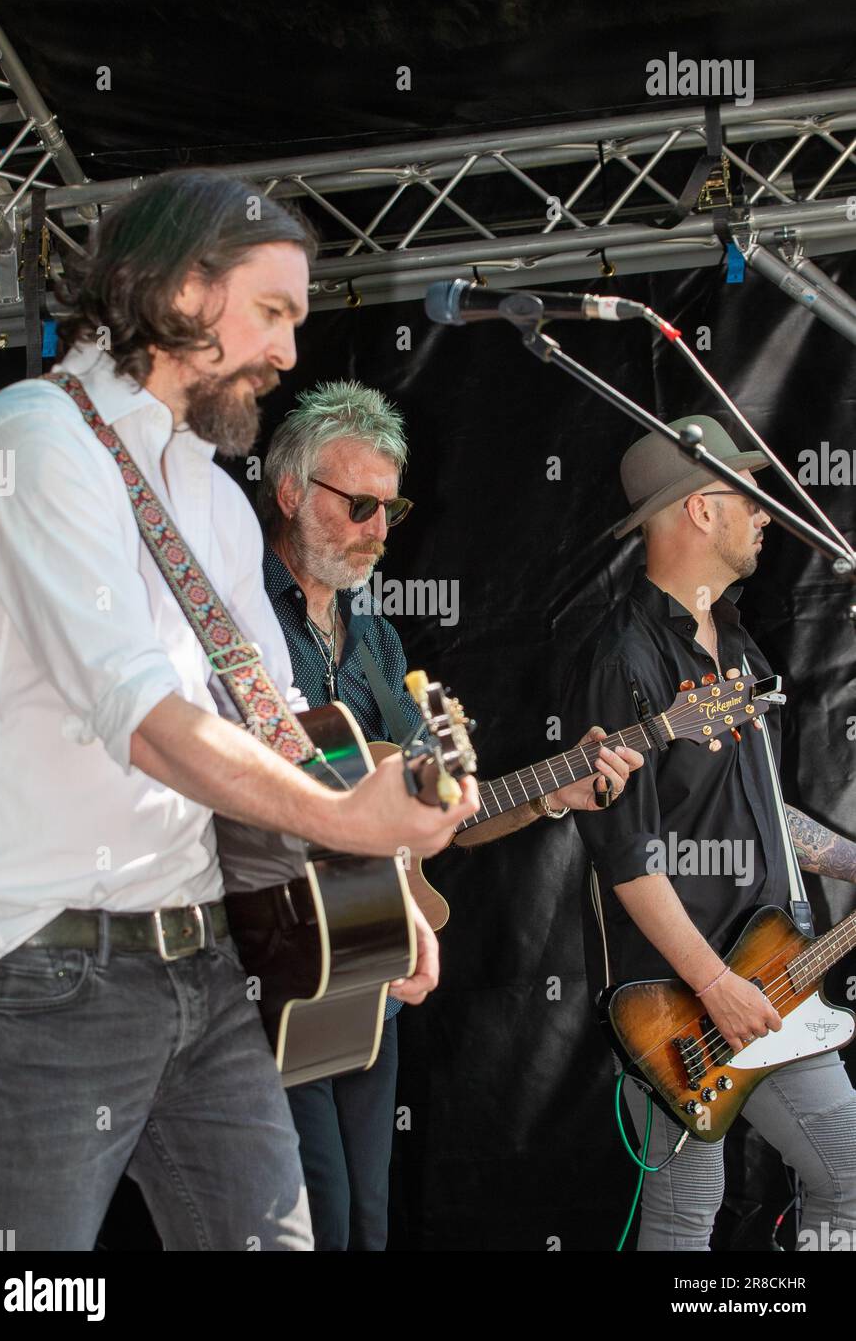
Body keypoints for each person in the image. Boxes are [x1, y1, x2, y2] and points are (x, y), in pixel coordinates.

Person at [0, 169, 477, 1252]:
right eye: (273, 311)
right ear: (182, 288)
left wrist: (375, 895)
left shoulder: (209, 496)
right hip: (43, 970)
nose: (289, 352)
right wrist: (349, 824)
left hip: (199, 962)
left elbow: (273, 729)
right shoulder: (34, 446)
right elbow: (144, 719)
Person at [258, 378, 642, 1249]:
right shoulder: (237, 620)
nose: (378, 531)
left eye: (391, 510)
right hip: (270, 972)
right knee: (302, 1222)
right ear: (289, 492)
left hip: (374, 974)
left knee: (365, 1225)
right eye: (359, 505)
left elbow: (442, 816)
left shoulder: (381, 642)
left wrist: (554, 787)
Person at [566, 415, 856, 1252]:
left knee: (845, 1172)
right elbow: (624, 853)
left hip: (772, 977)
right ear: (698, 510)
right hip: (679, 1005)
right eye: (747, 495)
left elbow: (762, 807)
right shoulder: (623, 658)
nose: (765, 511)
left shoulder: (735, 645)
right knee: (687, 1212)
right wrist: (714, 985)